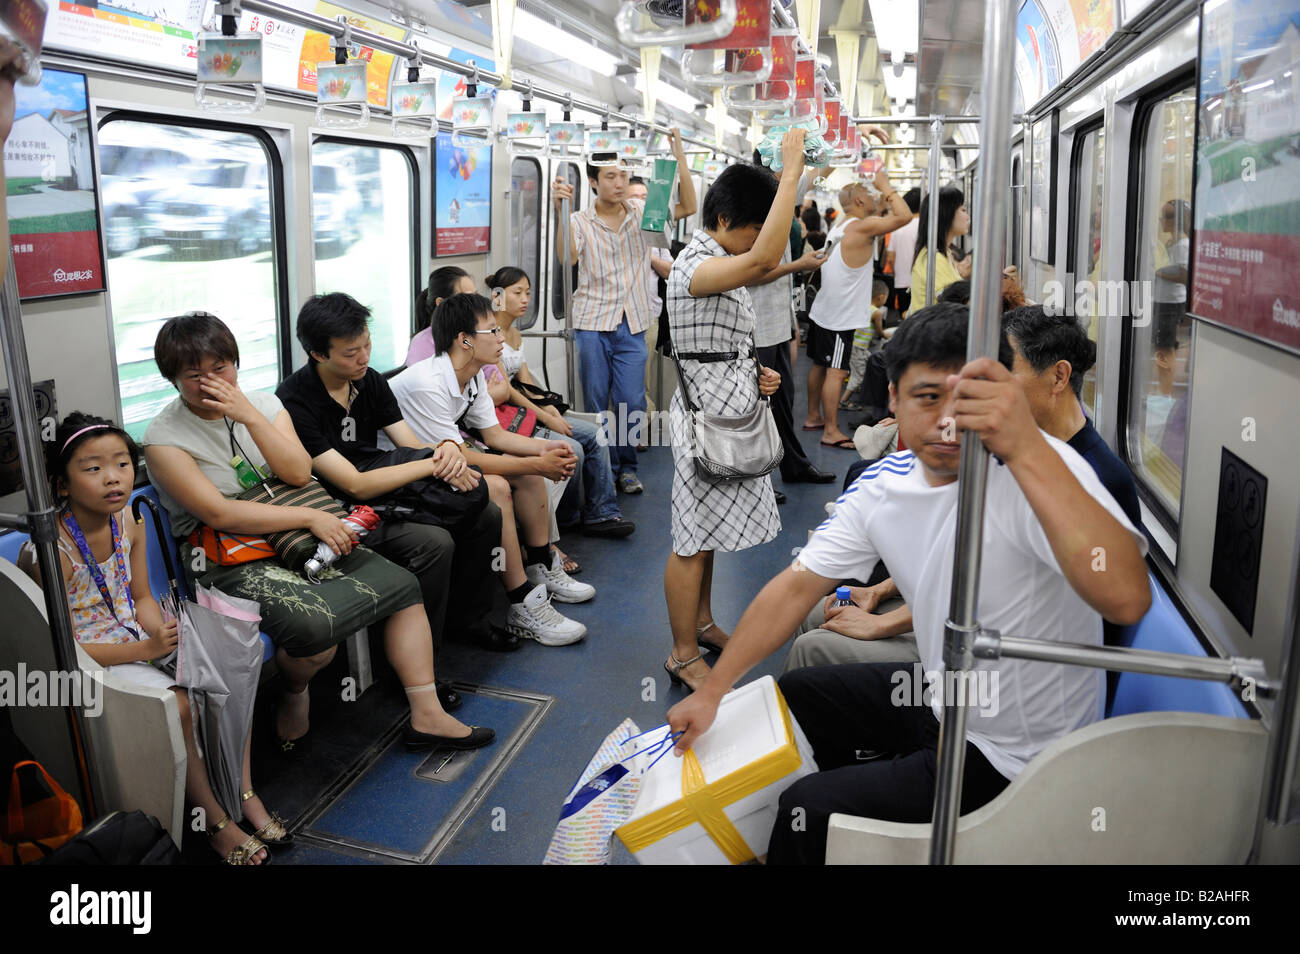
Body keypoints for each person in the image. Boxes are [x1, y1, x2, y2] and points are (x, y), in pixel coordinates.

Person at [667, 302, 1151, 864]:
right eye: (927, 398)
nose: (948, 422)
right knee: (798, 697)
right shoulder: (884, 485)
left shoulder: (1044, 475)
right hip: (947, 703)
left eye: (965, 399)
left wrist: (1024, 448)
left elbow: (1126, 596)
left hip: (1015, 757)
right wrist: (714, 689)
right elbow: (795, 587)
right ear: (893, 399)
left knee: (809, 812)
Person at [140, 312, 493, 753]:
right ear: (172, 380)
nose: (211, 382)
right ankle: (294, 691)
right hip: (232, 552)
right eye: (194, 375)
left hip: (299, 524)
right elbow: (219, 512)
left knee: (402, 587)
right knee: (315, 634)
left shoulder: (264, 406)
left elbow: (296, 471)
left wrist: (250, 417)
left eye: (221, 368)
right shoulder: (163, 438)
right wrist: (309, 519)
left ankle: (426, 714)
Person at [19, 412, 284, 865]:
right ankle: (216, 821)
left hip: (136, 635)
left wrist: (158, 630)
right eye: (93, 468)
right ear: (62, 485)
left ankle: (242, 791)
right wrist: (144, 650)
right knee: (180, 704)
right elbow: (62, 648)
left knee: (233, 663)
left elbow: (140, 595)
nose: (113, 478)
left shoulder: (128, 522)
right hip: (93, 659)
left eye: (122, 464)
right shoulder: (53, 551)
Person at [276, 292, 519, 660]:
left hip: (383, 481)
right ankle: (422, 660)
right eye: (350, 352)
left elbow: (408, 442)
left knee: (486, 512)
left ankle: (470, 619)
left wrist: (445, 453)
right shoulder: (295, 401)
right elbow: (351, 483)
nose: (364, 357)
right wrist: (433, 463)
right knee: (434, 543)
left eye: (367, 344)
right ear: (318, 355)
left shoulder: (369, 382)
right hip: (341, 507)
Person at [662, 130, 807, 693]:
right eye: (751, 228)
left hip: (729, 405)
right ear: (723, 219)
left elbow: (721, 335)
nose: (754, 243)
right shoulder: (693, 266)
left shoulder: (719, 258)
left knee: (707, 532)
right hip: (705, 419)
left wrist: (755, 371)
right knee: (689, 538)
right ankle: (679, 652)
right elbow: (766, 258)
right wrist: (790, 175)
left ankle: (701, 625)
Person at [388, 293, 591, 645]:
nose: (501, 338)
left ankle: (540, 563)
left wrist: (547, 449)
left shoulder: (474, 375)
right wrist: (536, 461)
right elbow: (463, 456)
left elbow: (494, 435)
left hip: (438, 459)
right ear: (464, 340)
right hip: (398, 470)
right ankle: (520, 603)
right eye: (492, 331)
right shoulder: (427, 383)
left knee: (527, 473)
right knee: (496, 486)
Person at [553, 128, 698, 496]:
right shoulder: (579, 221)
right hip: (591, 322)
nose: (620, 183)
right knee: (597, 400)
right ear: (593, 181)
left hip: (633, 322)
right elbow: (567, 257)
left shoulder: (642, 213)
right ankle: (602, 471)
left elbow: (690, 207)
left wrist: (679, 157)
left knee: (632, 401)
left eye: (623, 175)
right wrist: (560, 211)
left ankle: (626, 466)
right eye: (611, 176)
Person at [483, 267, 635, 538]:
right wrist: (546, 418)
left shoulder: (515, 334)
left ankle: (601, 512)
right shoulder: (491, 334)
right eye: (517, 293)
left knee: (597, 433)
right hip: (509, 416)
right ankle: (568, 518)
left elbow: (526, 383)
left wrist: (549, 405)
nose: (525, 299)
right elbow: (508, 391)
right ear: (497, 296)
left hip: (527, 408)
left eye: (528, 293)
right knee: (574, 446)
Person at [746, 153, 835, 491]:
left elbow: (821, 171)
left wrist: (845, 136)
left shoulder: (780, 195)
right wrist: (798, 266)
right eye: (791, 165)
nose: (797, 173)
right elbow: (754, 272)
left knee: (783, 402)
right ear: (772, 168)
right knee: (757, 406)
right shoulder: (753, 207)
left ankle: (794, 465)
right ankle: (755, 480)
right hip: (754, 324)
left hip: (777, 320)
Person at [804, 174, 912, 450]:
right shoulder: (861, 228)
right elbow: (904, 216)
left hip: (824, 309)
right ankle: (830, 430)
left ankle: (814, 417)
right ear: (860, 200)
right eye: (871, 193)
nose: (876, 196)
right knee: (837, 372)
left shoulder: (841, 224)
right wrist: (887, 185)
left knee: (819, 364)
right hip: (840, 316)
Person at [911, 186, 970, 307]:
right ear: (946, 214)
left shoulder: (943, 253)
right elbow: (957, 302)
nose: (968, 217)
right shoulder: (934, 259)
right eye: (963, 210)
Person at [407, 266, 476, 367]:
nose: (476, 304)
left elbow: (497, 377)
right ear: (441, 303)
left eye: (475, 296)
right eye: (466, 298)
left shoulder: (474, 332)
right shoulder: (422, 344)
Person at [842, 280, 888, 411]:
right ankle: (843, 401)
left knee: (869, 362)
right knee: (858, 376)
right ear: (881, 297)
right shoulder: (877, 313)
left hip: (854, 345)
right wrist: (887, 335)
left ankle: (859, 388)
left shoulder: (863, 306)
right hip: (859, 348)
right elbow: (880, 332)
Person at [887, 188, 922, 317]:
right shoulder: (927, 226)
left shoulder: (898, 227)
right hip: (922, 282)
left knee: (904, 316)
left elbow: (890, 257)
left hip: (901, 281)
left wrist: (898, 273)